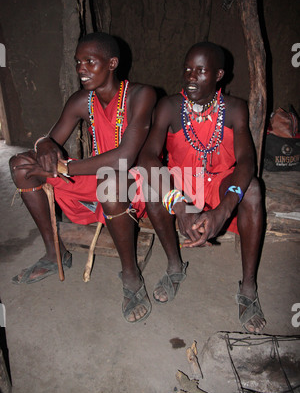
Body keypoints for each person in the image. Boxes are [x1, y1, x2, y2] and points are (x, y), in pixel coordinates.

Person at [9, 32, 156, 324]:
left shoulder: (141, 95)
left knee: (112, 188)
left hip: (136, 181)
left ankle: (131, 276)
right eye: (78, 62)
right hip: (97, 177)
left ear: (112, 63)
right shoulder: (82, 101)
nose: (81, 69)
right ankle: (55, 254)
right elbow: (50, 139)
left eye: (90, 61)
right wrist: (45, 144)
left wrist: (64, 168)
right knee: (20, 165)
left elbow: (125, 157)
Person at [138, 41, 266, 334]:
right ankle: (174, 266)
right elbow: (146, 155)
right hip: (182, 182)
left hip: (223, 183)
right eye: (187, 69)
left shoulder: (235, 109)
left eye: (200, 71)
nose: (190, 77)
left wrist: (223, 211)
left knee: (254, 189)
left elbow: (246, 161)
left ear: (219, 75)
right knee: (152, 184)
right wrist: (178, 205)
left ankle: (248, 287)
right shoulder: (169, 106)